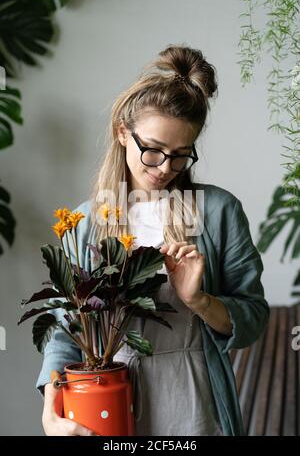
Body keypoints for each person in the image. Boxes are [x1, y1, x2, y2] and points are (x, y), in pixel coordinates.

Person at [37, 44, 270, 436]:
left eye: (181, 155)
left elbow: (253, 318)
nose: (165, 168)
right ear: (122, 132)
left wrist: (199, 300)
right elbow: (64, 332)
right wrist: (51, 410)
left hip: (194, 400)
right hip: (103, 401)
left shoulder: (217, 211)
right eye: (153, 151)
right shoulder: (84, 222)